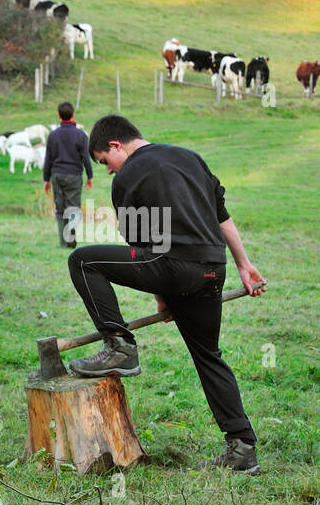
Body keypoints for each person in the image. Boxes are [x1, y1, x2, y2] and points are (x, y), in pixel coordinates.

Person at [66, 114, 267, 474]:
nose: (109, 171)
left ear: (115, 145)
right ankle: (242, 448)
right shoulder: (190, 157)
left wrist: (163, 290)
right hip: (211, 268)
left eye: (104, 162)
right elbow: (222, 217)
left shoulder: (127, 177)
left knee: (83, 260)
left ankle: (119, 346)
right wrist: (244, 264)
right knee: (209, 356)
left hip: (172, 266)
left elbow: (142, 243)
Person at [42, 101, 93, 248]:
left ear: (58, 115)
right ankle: (71, 230)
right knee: (73, 208)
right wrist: (90, 176)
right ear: (73, 115)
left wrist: (46, 179)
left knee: (60, 208)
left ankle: (63, 243)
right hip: (74, 175)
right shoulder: (81, 135)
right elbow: (85, 158)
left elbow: (48, 159)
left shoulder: (53, 135)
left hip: (57, 174)